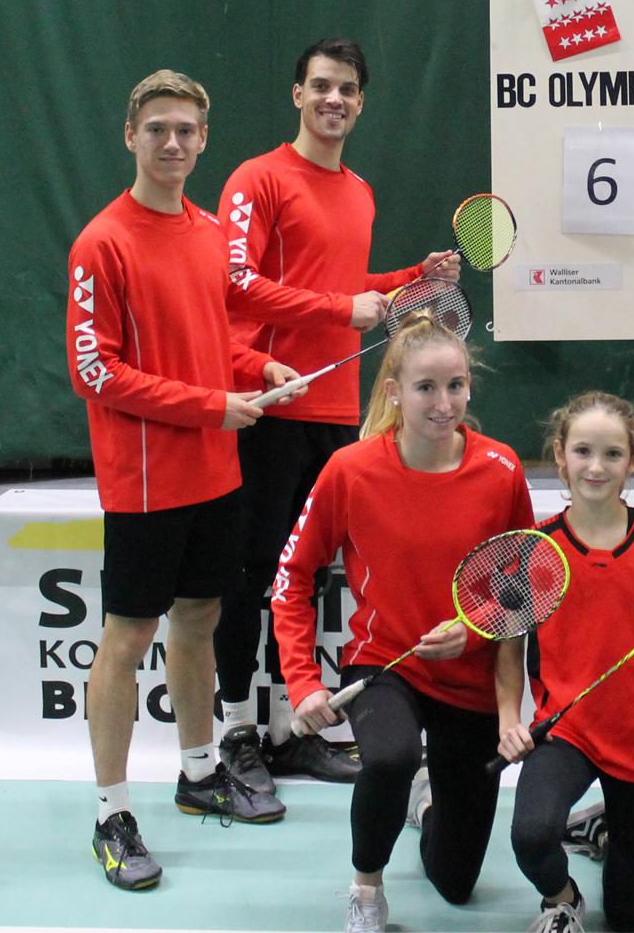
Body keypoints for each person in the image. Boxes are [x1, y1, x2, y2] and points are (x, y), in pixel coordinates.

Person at [67, 69, 296, 891]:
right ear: (130, 135)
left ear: (204, 141)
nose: (173, 143)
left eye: (188, 131)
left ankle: (201, 774)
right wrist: (211, 403)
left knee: (199, 617)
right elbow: (97, 372)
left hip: (215, 472)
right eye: (158, 128)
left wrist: (259, 363)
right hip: (145, 484)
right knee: (128, 638)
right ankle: (110, 813)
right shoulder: (102, 242)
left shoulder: (206, 233)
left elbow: (208, 343)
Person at [214, 38, 460, 790]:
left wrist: (415, 279)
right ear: (297, 94)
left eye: (348, 89)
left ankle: (294, 729)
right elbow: (234, 288)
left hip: (336, 417)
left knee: (313, 578)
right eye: (321, 86)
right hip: (268, 406)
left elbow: (352, 292)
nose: (334, 100)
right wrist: (339, 307)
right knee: (251, 576)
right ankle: (235, 736)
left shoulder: (358, 190)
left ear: (361, 102)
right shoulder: (256, 180)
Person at [270, 313, 534, 932]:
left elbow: (524, 587)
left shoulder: (501, 470)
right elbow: (291, 578)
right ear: (394, 391)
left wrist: (476, 628)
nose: (444, 404)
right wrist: (303, 682)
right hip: (386, 665)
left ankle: (427, 805)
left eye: (456, 386)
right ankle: (366, 892)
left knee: (457, 882)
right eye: (425, 388)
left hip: (470, 677)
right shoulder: (351, 470)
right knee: (387, 757)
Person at [495, 393, 634, 933]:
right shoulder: (537, 548)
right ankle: (564, 897)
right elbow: (509, 644)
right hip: (566, 735)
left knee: (626, 919)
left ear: (632, 460)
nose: (595, 467)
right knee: (530, 837)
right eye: (582, 451)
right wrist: (510, 718)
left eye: (611, 454)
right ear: (560, 455)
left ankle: (602, 828)